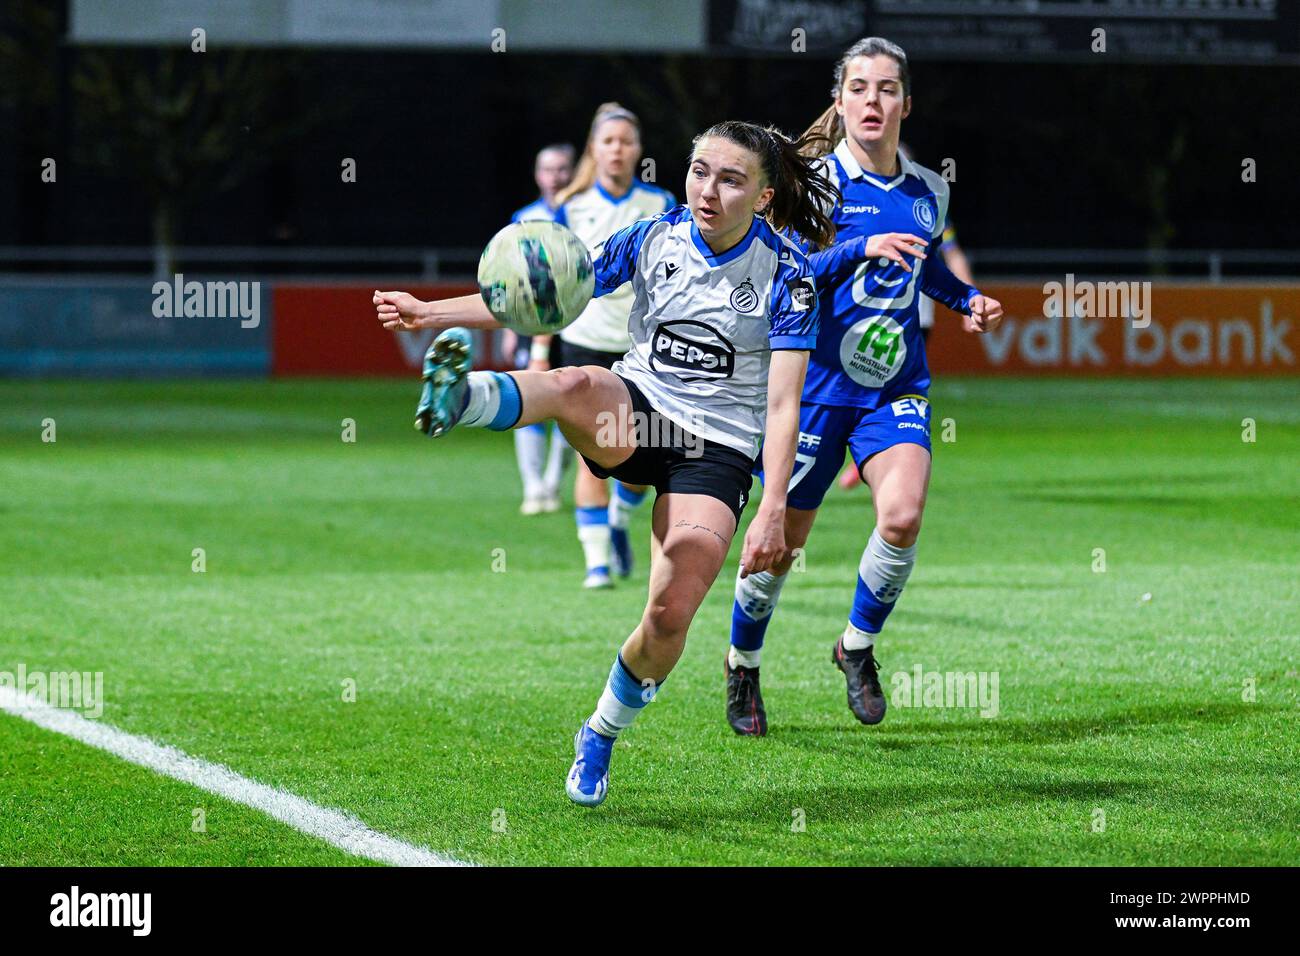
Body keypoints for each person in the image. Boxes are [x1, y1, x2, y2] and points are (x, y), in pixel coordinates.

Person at [374, 119, 836, 806]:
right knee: (574, 383)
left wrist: (772, 511)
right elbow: (545, 293)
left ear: (764, 199)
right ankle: (458, 397)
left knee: (669, 613)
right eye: (700, 170)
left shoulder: (788, 279)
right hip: (640, 407)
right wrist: (429, 313)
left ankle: (600, 731)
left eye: (731, 178)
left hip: (718, 451)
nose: (707, 189)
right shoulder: (654, 237)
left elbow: (781, 408)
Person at [723, 37, 1004, 736]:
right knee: (777, 547)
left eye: (885, 89)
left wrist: (965, 300)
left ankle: (855, 647)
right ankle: (743, 664)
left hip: (894, 385)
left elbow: (924, 267)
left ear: (906, 103)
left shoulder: (928, 189)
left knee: (903, 514)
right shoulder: (811, 183)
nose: (872, 101)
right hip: (814, 388)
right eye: (858, 88)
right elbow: (782, 277)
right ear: (840, 101)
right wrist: (857, 249)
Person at [539, 103, 675, 588]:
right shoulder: (569, 207)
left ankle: (621, 516)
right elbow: (551, 284)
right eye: (608, 142)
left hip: (639, 349)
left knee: (640, 459)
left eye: (626, 141)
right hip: (584, 341)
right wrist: (541, 345)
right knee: (591, 454)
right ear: (594, 150)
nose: (617, 150)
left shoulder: (660, 205)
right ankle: (596, 564)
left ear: (639, 149)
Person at [837, 142, 974, 490]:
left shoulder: (927, 199)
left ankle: (879, 444)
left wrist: (970, 299)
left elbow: (947, 254)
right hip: (856, 320)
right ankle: (865, 444)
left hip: (914, 315)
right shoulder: (840, 190)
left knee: (890, 377)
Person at [507, 144, 577, 514]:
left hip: (575, 325)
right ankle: (533, 485)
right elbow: (508, 274)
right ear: (538, 175)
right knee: (529, 399)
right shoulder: (524, 218)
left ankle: (552, 482)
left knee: (570, 403)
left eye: (563, 169)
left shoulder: (582, 213)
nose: (556, 177)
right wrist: (508, 326)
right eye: (549, 170)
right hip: (531, 321)